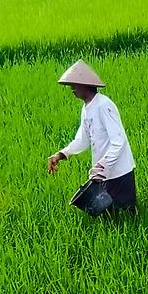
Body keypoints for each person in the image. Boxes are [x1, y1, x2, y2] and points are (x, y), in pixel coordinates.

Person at [46, 60, 137, 215]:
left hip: (119, 172)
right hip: (104, 173)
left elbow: (119, 141)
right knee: (109, 217)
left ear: (85, 85)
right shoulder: (87, 108)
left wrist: (102, 167)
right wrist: (61, 154)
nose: (72, 89)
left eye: (75, 85)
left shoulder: (103, 105)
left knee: (124, 216)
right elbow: (82, 139)